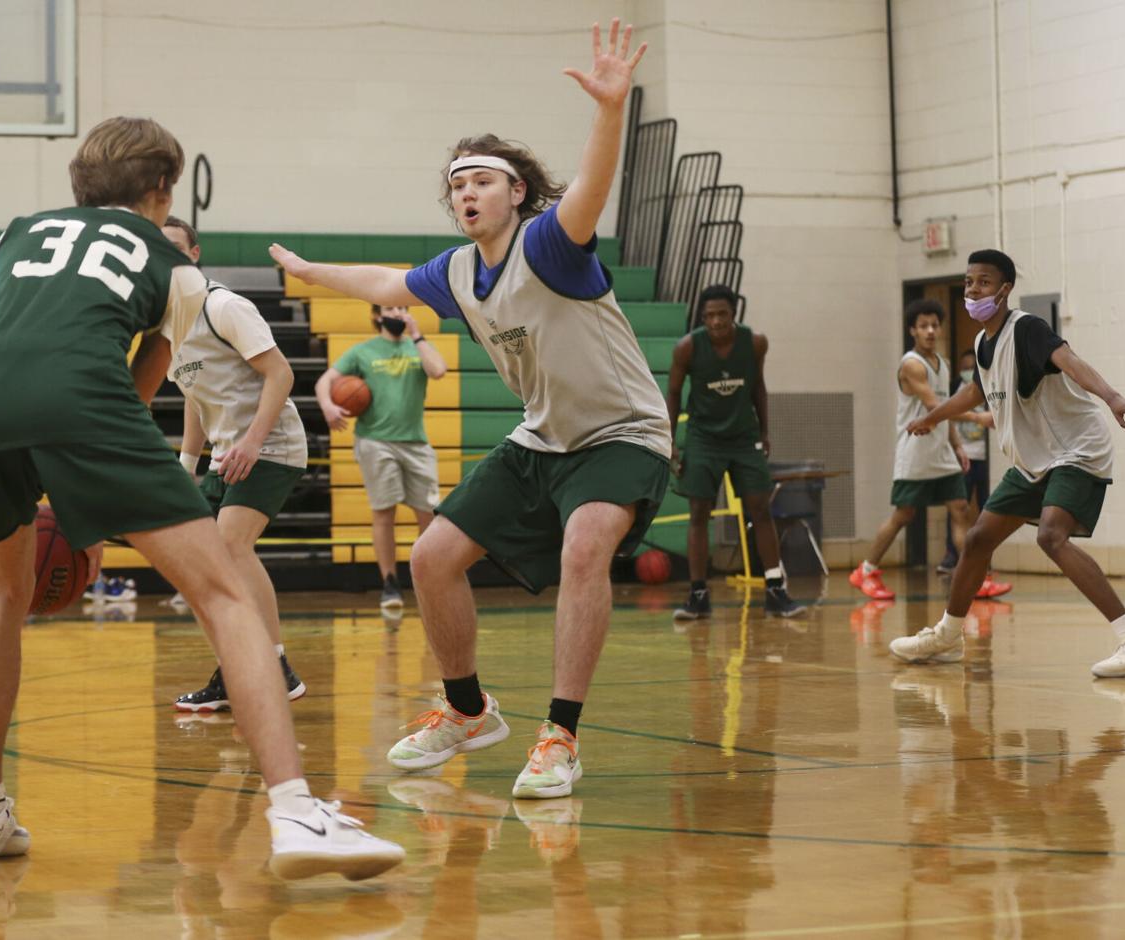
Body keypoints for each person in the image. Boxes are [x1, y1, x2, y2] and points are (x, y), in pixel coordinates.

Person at [0, 116, 402, 879]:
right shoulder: (177, 266)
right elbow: (144, 379)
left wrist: (74, 493)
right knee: (224, 593)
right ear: (161, 192)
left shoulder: (15, 233)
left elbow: (8, 332)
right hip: (85, 401)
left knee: (1, 591)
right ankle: (294, 810)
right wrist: (95, 495)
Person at [270, 19, 666, 799]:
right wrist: (311, 271)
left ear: (515, 192)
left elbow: (589, 186)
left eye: (481, 180)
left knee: (584, 547)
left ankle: (559, 736)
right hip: (542, 438)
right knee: (431, 558)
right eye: (456, 185)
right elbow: (385, 285)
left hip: (623, 433)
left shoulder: (550, 243)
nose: (466, 193)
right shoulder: (455, 272)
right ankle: (466, 709)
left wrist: (610, 110)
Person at [892, 249, 1125, 678]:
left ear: (1005, 289)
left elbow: (1070, 362)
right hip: (1034, 459)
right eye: (968, 282)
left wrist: (1112, 397)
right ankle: (947, 635)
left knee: (1051, 536)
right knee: (978, 539)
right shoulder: (982, 343)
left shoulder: (1028, 329)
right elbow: (975, 393)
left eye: (982, 282)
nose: (973, 289)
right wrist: (933, 416)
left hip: (1075, 449)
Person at [160, 217, 309, 713]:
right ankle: (234, 670)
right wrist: (187, 462)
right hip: (225, 454)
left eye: (176, 248)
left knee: (230, 544)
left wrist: (250, 441)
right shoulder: (165, 324)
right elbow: (194, 396)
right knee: (203, 563)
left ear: (195, 254)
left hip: (270, 445)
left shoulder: (222, 305)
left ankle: (276, 666)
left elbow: (281, 374)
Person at [847, 300, 1007, 601]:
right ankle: (866, 570)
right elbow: (936, 407)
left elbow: (943, 411)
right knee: (903, 515)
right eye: (924, 326)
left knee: (961, 510)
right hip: (916, 454)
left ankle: (975, 578)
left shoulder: (943, 363)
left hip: (942, 454)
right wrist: (977, 418)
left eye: (935, 325)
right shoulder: (911, 365)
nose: (931, 331)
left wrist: (957, 445)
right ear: (913, 331)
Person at [666, 284, 804, 619]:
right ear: (702, 317)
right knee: (700, 511)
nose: (716, 321)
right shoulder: (687, 348)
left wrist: (765, 430)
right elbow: (672, 394)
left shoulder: (755, 343)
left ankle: (775, 589)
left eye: (722, 314)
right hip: (703, 438)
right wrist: (669, 442)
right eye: (710, 315)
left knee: (760, 509)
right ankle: (698, 594)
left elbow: (758, 385)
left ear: (734, 314)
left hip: (744, 436)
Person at [315, 304, 447, 609]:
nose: (398, 312)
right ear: (377, 316)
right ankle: (389, 582)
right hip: (375, 441)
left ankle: (431, 580)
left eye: (402, 307)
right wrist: (327, 406)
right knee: (384, 511)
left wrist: (418, 335)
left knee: (429, 515)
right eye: (390, 308)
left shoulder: (419, 347)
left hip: (416, 442)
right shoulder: (363, 352)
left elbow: (439, 370)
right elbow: (324, 381)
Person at [937, 349, 990, 574]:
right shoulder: (954, 390)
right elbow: (944, 411)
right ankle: (952, 556)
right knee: (959, 508)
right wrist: (974, 416)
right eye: (964, 368)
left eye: (971, 368)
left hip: (985, 459)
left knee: (989, 511)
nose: (968, 371)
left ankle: (984, 561)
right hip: (964, 459)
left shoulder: (989, 388)